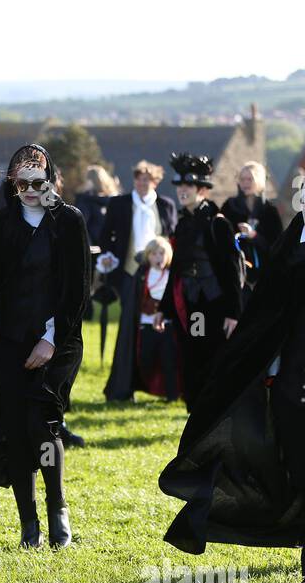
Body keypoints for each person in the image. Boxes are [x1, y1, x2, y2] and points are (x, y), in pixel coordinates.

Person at [159, 165, 305, 583]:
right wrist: (263, 370)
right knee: (299, 471)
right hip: (286, 386)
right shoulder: (289, 250)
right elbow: (264, 317)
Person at [0, 143, 91, 548]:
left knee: (43, 426)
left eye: (38, 180)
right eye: (22, 182)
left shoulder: (69, 222)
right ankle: (28, 523)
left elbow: (78, 291)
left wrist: (51, 340)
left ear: (51, 179)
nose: (30, 189)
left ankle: (57, 510)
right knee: (14, 430)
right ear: (13, 184)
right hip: (11, 340)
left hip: (57, 341)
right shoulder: (4, 223)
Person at [151, 153, 244, 411]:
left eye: (188, 186)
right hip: (193, 306)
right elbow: (177, 272)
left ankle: (215, 415)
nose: (182, 191)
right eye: (180, 186)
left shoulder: (219, 225)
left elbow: (232, 271)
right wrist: (164, 309)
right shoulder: (182, 225)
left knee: (214, 359)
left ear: (202, 190)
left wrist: (233, 313)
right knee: (192, 356)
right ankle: (196, 411)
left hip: (216, 305)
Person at [99, 159, 177, 401]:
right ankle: (124, 387)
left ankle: (167, 388)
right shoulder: (119, 203)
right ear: (134, 180)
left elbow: (171, 237)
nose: (143, 184)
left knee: (161, 331)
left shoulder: (166, 205)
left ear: (155, 182)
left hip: (159, 276)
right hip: (129, 275)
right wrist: (108, 265)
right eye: (139, 180)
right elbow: (105, 237)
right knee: (128, 330)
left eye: (148, 180)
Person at [120, 236, 180, 401]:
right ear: (148, 256)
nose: (158, 257)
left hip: (167, 327)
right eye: (153, 254)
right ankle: (136, 388)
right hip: (145, 325)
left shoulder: (172, 275)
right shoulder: (142, 275)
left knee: (169, 361)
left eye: (161, 253)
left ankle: (172, 395)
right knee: (144, 360)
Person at [221, 161, 282, 290]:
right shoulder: (229, 207)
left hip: (263, 274)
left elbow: (277, 244)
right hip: (235, 272)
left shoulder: (269, 210)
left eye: (250, 179)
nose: (245, 183)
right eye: (242, 179)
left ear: (259, 181)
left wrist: (254, 236)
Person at [74, 164, 120, 247]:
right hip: (111, 247)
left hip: (95, 249)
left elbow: (80, 227)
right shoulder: (114, 201)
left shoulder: (85, 201)